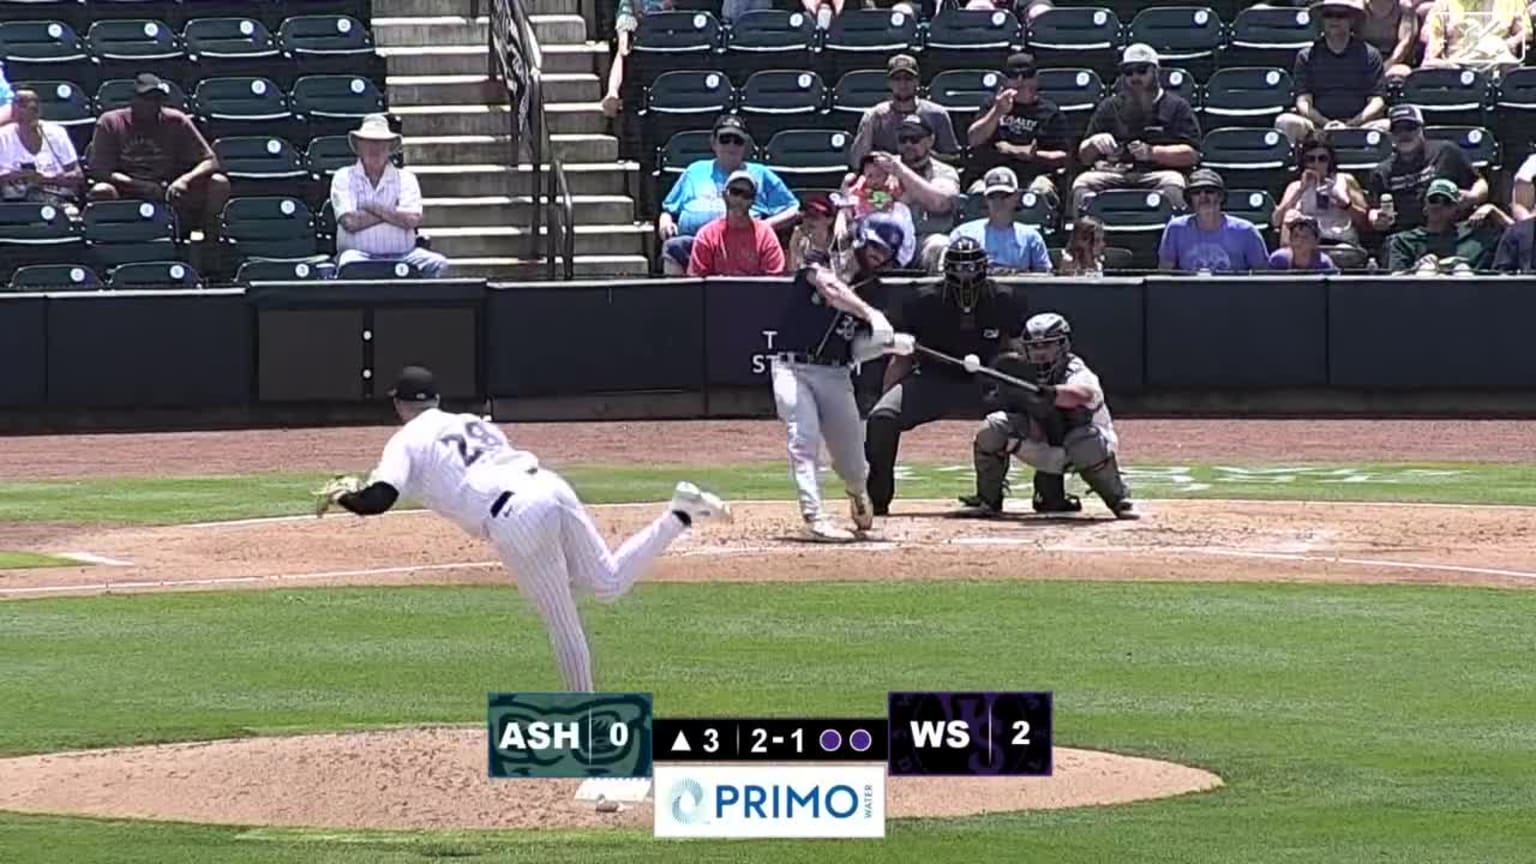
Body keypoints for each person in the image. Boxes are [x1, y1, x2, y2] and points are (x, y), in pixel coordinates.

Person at [314, 365, 732, 692]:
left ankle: (586, 730)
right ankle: (680, 514)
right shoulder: (472, 421)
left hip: (516, 517)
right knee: (606, 583)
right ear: (437, 399)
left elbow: (379, 500)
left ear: (399, 406)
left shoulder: (405, 440)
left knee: (562, 623)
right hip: (549, 485)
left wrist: (344, 497)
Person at [864, 237, 1028, 516]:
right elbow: (903, 357)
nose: (966, 275)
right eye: (960, 268)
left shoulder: (1004, 298)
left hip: (988, 382)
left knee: (1041, 410)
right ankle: (877, 500)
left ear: (984, 267)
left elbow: (1018, 350)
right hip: (933, 378)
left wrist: (1022, 387)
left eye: (972, 268)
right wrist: (887, 396)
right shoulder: (923, 299)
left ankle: (1017, 495)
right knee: (882, 418)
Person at [775, 212, 911, 542]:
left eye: (885, 255)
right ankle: (815, 516)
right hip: (792, 368)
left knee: (852, 461)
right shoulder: (819, 256)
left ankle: (857, 492)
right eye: (875, 248)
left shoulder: (876, 291)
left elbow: (855, 351)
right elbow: (831, 289)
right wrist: (870, 313)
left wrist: (886, 345)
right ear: (862, 237)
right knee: (802, 439)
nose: (877, 258)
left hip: (836, 375)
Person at [961, 312, 1139, 520]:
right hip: (1042, 443)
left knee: (1084, 440)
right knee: (993, 428)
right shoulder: (1018, 371)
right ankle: (988, 501)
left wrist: (1051, 394)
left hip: (1086, 447)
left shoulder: (1077, 370)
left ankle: (1118, 499)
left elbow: (1082, 394)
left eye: (1048, 345)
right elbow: (1001, 407)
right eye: (1035, 347)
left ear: (1063, 345)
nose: (1040, 353)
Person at [87, 73, 230, 242]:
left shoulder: (176, 120)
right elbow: (99, 170)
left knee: (218, 183)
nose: (152, 104)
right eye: (147, 99)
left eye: (157, 99)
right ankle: (113, 245)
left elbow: (210, 161)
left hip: (169, 189)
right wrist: (139, 185)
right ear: (134, 99)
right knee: (102, 190)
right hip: (126, 189)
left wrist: (184, 180)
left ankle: (210, 246)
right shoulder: (111, 122)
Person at [658, 114, 799, 276]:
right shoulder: (694, 171)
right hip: (695, 242)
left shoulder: (760, 174)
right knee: (672, 247)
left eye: (737, 141)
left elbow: (793, 208)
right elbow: (668, 209)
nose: (731, 145)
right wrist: (665, 221)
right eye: (725, 139)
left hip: (746, 243)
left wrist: (767, 225)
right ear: (713, 142)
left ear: (745, 145)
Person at [1071, 44, 1201, 216]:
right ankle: (1084, 239)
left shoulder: (1176, 106)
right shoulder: (1110, 106)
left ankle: (1174, 237)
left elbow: (1191, 155)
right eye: (1128, 72)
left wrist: (1152, 153)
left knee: (1174, 183)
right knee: (1082, 183)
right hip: (1116, 172)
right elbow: (1084, 157)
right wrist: (1094, 144)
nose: (1135, 77)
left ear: (1155, 72)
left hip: (1158, 173)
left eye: (1141, 70)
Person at [330, 114, 449, 277]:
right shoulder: (343, 176)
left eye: (380, 143)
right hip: (359, 256)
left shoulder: (406, 178)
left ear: (389, 147)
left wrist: (373, 208)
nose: (375, 148)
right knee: (348, 263)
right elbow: (349, 222)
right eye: (369, 141)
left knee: (438, 264)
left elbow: (412, 220)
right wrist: (394, 213)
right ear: (359, 146)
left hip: (405, 255)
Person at [1274, 0, 1390, 145]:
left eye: (1341, 15)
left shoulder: (1370, 55)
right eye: (1329, 15)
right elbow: (1303, 101)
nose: (1334, 20)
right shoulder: (1307, 56)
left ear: (1351, 20)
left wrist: (1350, 125)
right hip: (1316, 127)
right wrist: (1325, 123)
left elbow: (1377, 101)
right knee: (1285, 121)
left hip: (1359, 125)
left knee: (1386, 126)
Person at [966, 52, 1071, 210]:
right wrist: (997, 111)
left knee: (1040, 192)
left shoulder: (1050, 111)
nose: (1020, 81)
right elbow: (973, 139)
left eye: (1026, 75)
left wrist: (1030, 154)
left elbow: (1064, 155)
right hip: (992, 175)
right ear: (1005, 80)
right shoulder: (992, 106)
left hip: (1033, 176)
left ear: (1036, 79)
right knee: (978, 193)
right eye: (1014, 76)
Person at [1367, 105, 1484, 234]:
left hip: (1452, 230)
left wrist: (1474, 196)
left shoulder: (1446, 151)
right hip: (1406, 238)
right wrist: (1376, 220)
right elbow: (1374, 210)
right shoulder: (1382, 172)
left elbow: (1480, 182)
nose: (1404, 134)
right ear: (1391, 135)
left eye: (1410, 128)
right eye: (1397, 130)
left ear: (1422, 129)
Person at [1272, 132, 1369, 266]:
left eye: (1322, 159)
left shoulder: (1344, 180)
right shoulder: (1295, 187)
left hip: (1341, 244)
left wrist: (1345, 204)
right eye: (1311, 159)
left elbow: (1365, 221)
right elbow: (1276, 220)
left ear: (1330, 161)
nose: (1316, 164)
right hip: (1305, 247)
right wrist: (1300, 191)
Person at [850, 54, 959, 165]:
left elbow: (953, 159)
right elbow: (856, 163)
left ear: (917, 81)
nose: (903, 84)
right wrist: (870, 123)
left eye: (908, 78)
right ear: (889, 83)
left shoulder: (936, 114)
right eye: (897, 79)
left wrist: (924, 155)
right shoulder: (874, 116)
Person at [1157, 169, 1271, 272]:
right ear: (1190, 199)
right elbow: (1164, 273)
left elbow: (1262, 275)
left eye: (1209, 191)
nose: (1203, 197)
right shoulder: (1175, 229)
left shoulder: (1246, 231)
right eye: (1196, 192)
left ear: (1221, 196)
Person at [1386, 178, 1506, 271]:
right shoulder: (1404, 241)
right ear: (1425, 207)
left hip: (1467, 295)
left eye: (1446, 202)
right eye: (1434, 200)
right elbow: (1395, 280)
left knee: (1462, 270)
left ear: (1456, 208)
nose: (1439, 205)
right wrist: (1415, 269)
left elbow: (1519, 235)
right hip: (1421, 296)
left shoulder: (1475, 236)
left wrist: (1493, 211)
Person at [946, 167, 1052, 273]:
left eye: (1004, 195)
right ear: (985, 199)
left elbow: (1043, 277)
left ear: (1016, 196)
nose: (998, 201)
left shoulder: (1031, 238)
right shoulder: (963, 234)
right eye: (992, 196)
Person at [686, 169, 786, 276]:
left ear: (753, 201)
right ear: (724, 195)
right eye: (735, 192)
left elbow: (775, 280)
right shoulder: (707, 235)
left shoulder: (765, 235)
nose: (740, 199)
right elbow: (698, 281)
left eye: (747, 195)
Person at [0, 89, 83, 214]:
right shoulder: (3, 136)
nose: (26, 109)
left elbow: (77, 176)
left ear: (39, 110)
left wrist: (45, 179)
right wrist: (21, 176)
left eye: (32, 106)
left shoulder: (57, 133)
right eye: (20, 104)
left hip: (56, 200)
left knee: (72, 214)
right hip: (13, 204)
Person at [601, 0, 674, 117]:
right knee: (623, 51)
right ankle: (612, 93)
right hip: (641, 44)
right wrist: (624, 39)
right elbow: (625, 22)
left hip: (670, 44)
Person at [1422, 0, 1529, 71]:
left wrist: (1511, 43)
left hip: (1499, 65)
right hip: (1458, 67)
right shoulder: (1444, 4)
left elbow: (1525, 32)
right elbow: (1431, 57)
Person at [1359, 0, 1419, 78]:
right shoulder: (1359, 7)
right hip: (1362, 60)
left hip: (1392, 62)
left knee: (1400, 73)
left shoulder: (1404, 8)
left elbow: (1405, 42)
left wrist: (1387, 64)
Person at [1269, 213, 1339, 270]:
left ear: (1316, 241)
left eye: (1305, 237)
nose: (1299, 241)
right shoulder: (1278, 260)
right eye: (1296, 236)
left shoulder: (1324, 264)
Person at [788, 193, 836, 270]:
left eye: (815, 216)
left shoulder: (837, 242)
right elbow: (794, 272)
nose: (809, 220)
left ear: (829, 220)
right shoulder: (801, 242)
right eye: (807, 215)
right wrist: (794, 244)